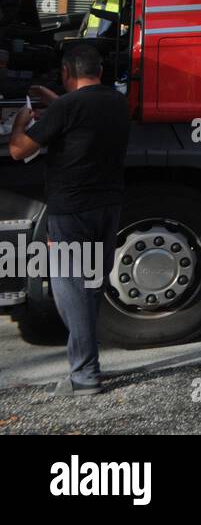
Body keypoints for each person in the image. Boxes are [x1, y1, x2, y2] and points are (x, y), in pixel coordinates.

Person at [8, 42, 130, 395]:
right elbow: (82, 114)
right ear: (99, 72)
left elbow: (19, 150)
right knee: (90, 288)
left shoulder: (67, 108)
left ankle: (85, 374)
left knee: (70, 291)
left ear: (66, 73)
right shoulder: (117, 102)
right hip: (107, 206)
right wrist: (56, 101)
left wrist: (20, 123)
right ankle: (88, 365)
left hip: (70, 213)